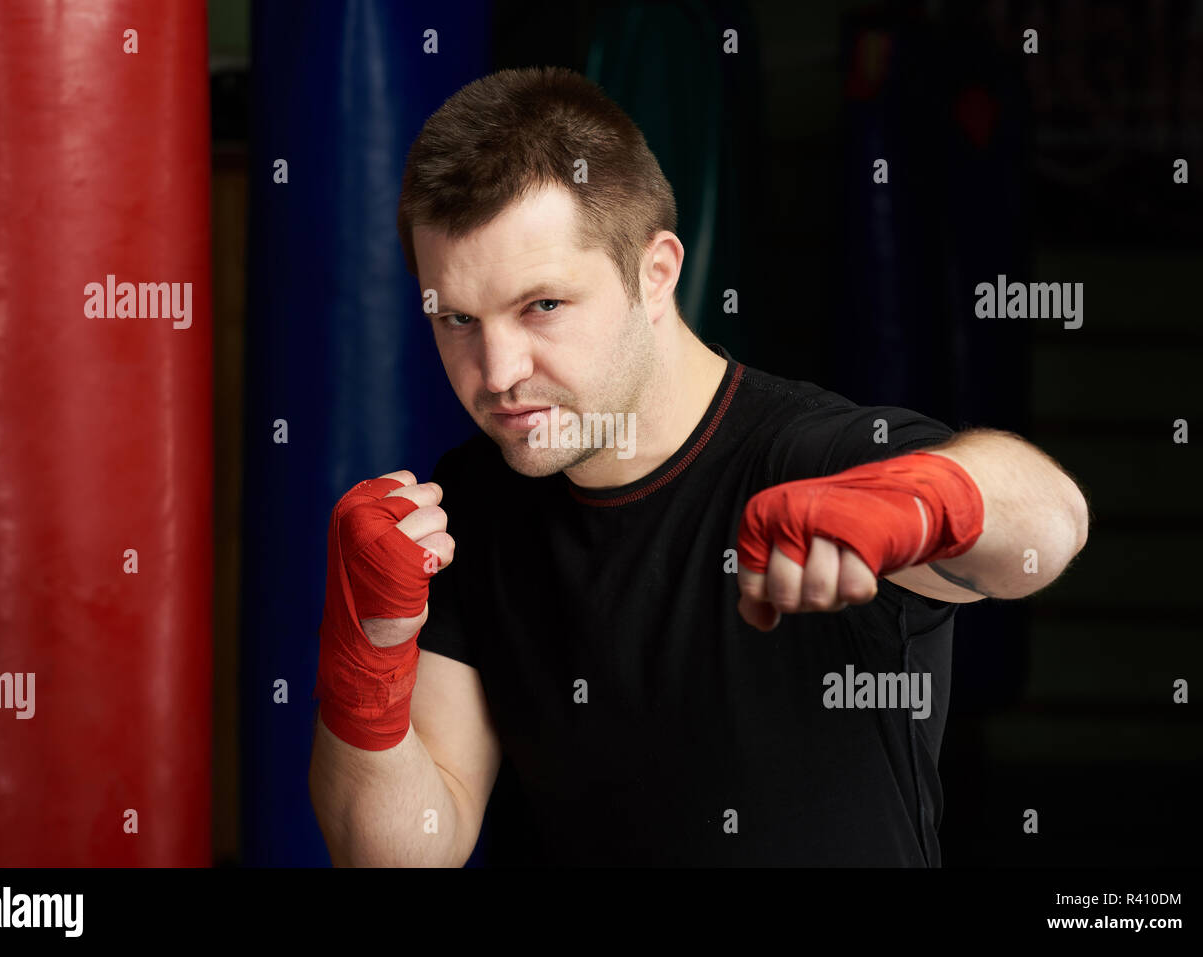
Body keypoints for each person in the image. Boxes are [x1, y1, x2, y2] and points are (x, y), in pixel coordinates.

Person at [307, 66, 1089, 866]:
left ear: (656, 274)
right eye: (459, 319)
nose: (498, 369)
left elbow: (1052, 521)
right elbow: (399, 854)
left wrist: (927, 498)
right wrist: (367, 650)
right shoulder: (471, 504)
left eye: (542, 305)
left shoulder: (809, 459)